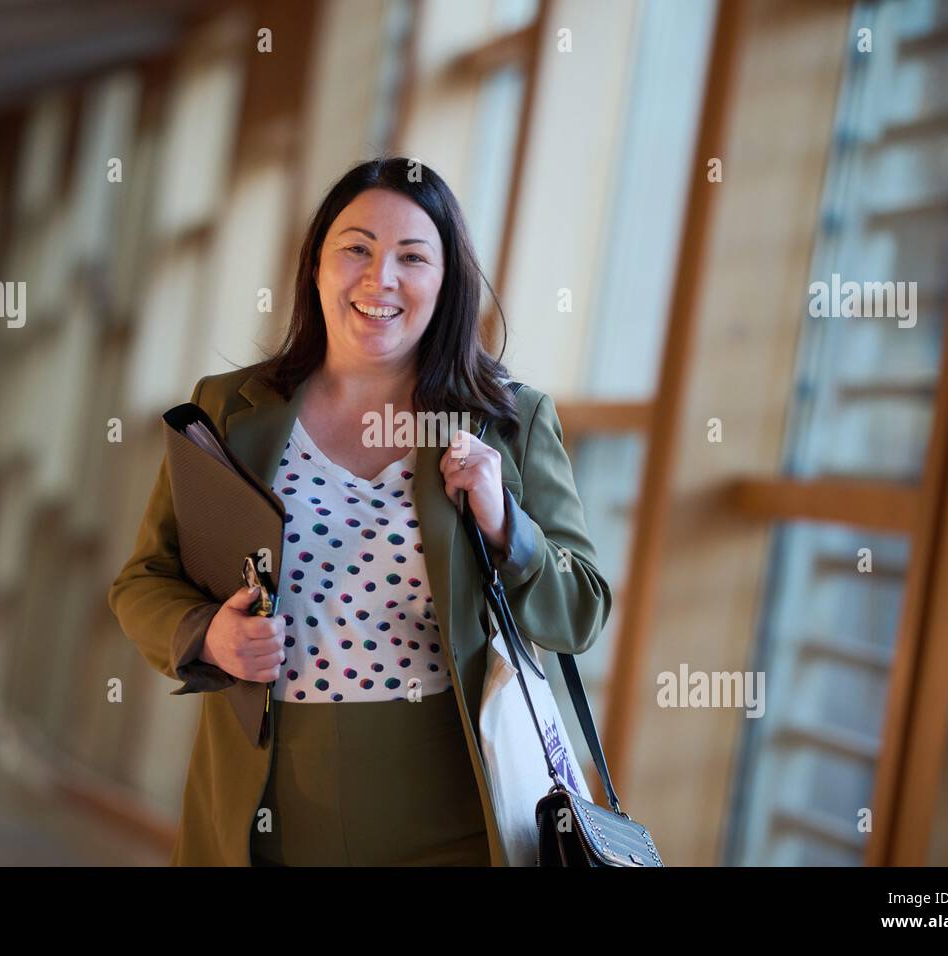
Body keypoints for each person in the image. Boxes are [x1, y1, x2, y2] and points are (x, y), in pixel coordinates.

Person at [107, 156, 612, 866]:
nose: (382, 280)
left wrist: (507, 526)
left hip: (453, 817)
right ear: (316, 263)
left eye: (412, 257)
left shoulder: (510, 420)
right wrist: (207, 637)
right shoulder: (230, 411)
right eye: (357, 250)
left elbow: (581, 611)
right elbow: (142, 581)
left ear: (446, 283)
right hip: (264, 810)